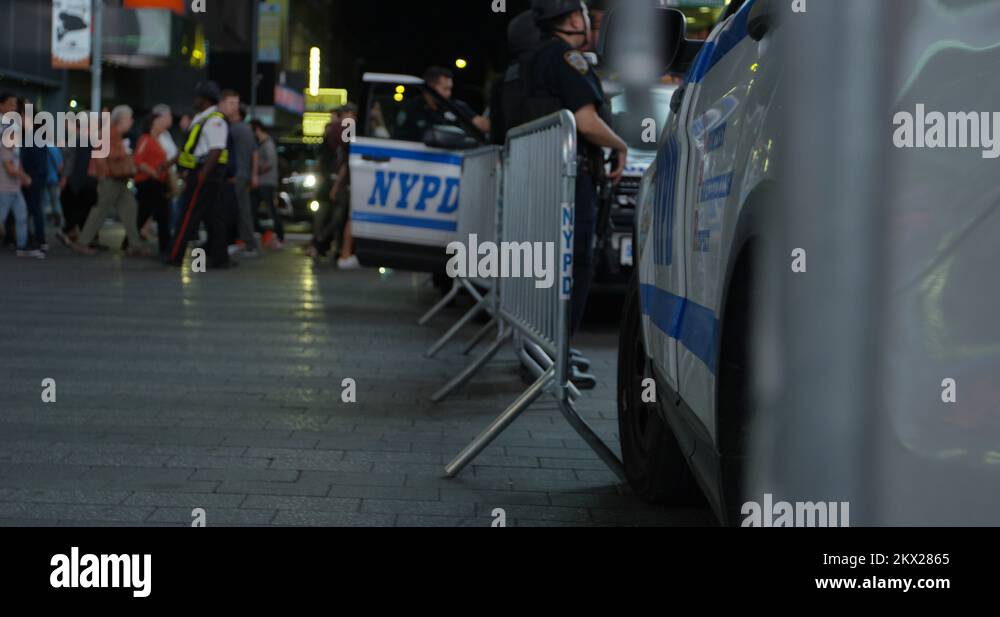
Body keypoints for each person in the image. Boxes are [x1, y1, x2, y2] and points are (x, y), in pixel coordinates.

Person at [511, 0, 630, 388]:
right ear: (573, 18)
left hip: (541, 179)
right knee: (575, 263)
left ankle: (544, 349)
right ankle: (557, 350)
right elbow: (584, 120)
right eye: (585, 16)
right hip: (571, 180)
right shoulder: (566, 58)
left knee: (545, 265)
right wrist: (621, 145)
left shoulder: (532, 60)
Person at [166, 81, 232, 269]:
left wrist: (202, 174)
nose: (194, 100)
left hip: (206, 173)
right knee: (213, 216)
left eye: (197, 96)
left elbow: (216, 150)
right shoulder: (202, 118)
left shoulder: (214, 120)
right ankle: (220, 257)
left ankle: (175, 255)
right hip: (202, 171)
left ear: (205, 99)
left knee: (188, 214)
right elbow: (190, 148)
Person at [70, 105, 149, 257]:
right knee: (101, 209)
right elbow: (100, 156)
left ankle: (134, 244)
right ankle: (83, 242)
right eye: (129, 118)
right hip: (110, 177)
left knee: (129, 208)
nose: (132, 121)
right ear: (122, 120)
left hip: (116, 177)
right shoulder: (110, 133)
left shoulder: (114, 133)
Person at [311, 102, 359, 269]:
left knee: (330, 214)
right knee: (341, 215)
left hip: (330, 177)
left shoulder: (331, 129)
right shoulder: (346, 128)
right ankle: (325, 242)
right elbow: (346, 158)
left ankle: (323, 243)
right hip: (340, 179)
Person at [490, 10, 543, 144]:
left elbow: (496, 132)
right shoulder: (548, 68)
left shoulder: (503, 79)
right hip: (547, 155)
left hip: (512, 157)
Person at [395, 66, 489, 141]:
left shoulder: (453, 106)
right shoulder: (412, 108)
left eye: (450, 89)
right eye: (445, 89)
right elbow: (398, 140)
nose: (449, 93)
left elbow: (480, 123)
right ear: (430, 87)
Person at [0, 106, 43, 259]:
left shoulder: (13, 150)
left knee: (22, 216)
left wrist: (23, 177)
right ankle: (22, 244)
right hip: (5, 190)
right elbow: (10, 169)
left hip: (15, 189)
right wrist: (24, 177)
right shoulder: (5, 149)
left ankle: (22, 245)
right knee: (3, 219)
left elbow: (17, 167)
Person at [220, 95, 259, 258]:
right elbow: (255, 152)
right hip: (244, 175)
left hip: (235, 176)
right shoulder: (247, 129)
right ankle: (249, 244)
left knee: (230, 211)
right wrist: (254, 174)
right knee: (244, 210)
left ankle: (234, 242)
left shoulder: (232, 129)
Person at [132, 108, 173, 255]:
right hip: (148, 181)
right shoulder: (145, 139)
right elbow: (138, 159)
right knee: (161, 212)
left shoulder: (159, 140)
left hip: (156, 181)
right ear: (152, 124)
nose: (162, 124)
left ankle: (130, 241)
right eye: (159, 122)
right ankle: (165, 245)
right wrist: (153, 172)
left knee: (145, 213)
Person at [57, 122, 98, 249]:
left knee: (79, 209)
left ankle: (79, 235)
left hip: (77, 181)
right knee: (83, 209)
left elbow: (67, 162)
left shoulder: (77, 140)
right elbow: (71, 162)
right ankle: (78, 234)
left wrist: (64, 178)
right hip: (83, 180)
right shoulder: (84, 141)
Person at [251, 120, 283, 250]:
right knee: (252, 210)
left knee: (271, 211)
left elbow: (269, 163)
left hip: (266, 182)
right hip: (261, 182)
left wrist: (255, 171)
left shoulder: (267, 143)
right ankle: (266, 233)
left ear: (257, 129)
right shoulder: (261, 143)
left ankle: (279, 237)